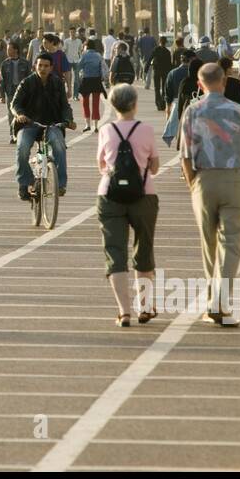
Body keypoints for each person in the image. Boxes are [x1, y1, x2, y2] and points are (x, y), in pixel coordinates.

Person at [179, 62, 240, 326]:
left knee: (209, 243)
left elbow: (185, 157)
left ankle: (213, 300)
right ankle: (220, 302)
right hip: (234, 180)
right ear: (224, 81)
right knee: (231, 243)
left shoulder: (191, 112)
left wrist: (193, 184)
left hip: (204, 180)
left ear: (200, 84)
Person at [97, 84, 161, 328]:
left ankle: (124, 312)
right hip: (144, 195)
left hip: (109, 195)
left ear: (113, 105)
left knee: (115, 252)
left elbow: (101, 165)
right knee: (143, 249)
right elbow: (154, 167)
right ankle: (145, 307)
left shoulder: (106, 130)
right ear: (135, 103)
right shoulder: (145, 129)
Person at [12, 53, 75, 201]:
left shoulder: (57, 83)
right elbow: (15, 104)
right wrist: (20, 114)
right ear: (35, 66)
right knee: (22, 148)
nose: (43, 68)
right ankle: (24, 182)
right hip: (29, 125)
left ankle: (60, 184)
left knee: (59, 147)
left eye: (46, 66)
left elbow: (65, 106)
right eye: (40, 65)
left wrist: (68, 120)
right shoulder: (26, 83)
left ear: (51, 68)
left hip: (52, 125)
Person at [162, 51, 197, 147]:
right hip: (195, 103)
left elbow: (168, 95)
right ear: (192, 59)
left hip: (176, 105)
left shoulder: (172, 73)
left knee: (179, 132)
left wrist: (168, 111)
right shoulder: (197, 72)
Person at [1, 41, 32, 144]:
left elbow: (29, 78)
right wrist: (2, 95)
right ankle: (13, 134)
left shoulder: (25, 63)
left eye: (10, 49)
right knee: (11, 114)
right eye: (7, 50)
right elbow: (2, 81)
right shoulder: (5, 64)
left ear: (16, 50)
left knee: (23, 112)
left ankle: (23, 133)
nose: (8, 51)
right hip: (10, 91)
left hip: (23, 92)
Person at [77, 40, 110, 132]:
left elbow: (79, 66)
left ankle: (87, 124)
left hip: (86, 81)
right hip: (96, 81)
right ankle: (96, 126)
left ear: (86, 46)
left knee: (85, 103)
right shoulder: (99, 55)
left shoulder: (84, 55)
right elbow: (105, 68)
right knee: (96, 103)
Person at [150, 37, 174, 111]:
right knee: (164, 88)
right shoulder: (167, 52)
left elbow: (150, 59)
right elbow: (170, 64)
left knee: (157, 88)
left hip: (157, 71)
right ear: (165, 42)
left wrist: (146, 69)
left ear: (159, 41)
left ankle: (158, 103)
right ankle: (163, 104)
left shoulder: (155, 50)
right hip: (165, 72)